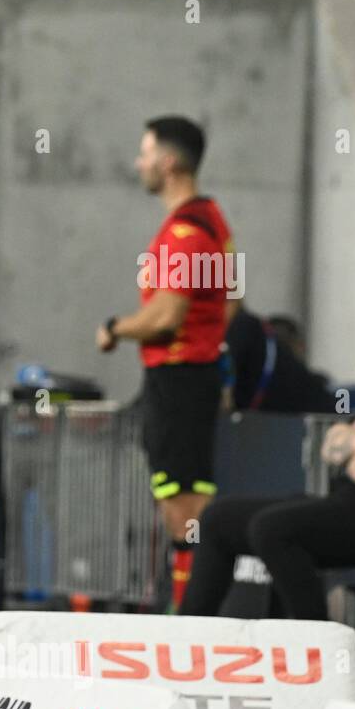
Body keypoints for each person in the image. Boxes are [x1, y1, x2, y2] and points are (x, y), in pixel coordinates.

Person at [96, 115, 236, 610]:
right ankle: (193, 616)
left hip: (178, 383)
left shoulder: (183, 232)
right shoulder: (212, 220)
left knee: (184, 512)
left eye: (146, 152)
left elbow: (166, 315)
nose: (139, 162)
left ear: (169, 163)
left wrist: (114, 328)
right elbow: (232, 300)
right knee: (189, 507)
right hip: (193, 380)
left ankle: (190, 621)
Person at [181, 392, 355, 700]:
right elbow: (332, 444)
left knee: (273, 529)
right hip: (346, 503)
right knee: (217, 518)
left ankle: (319, 662)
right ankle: (186, 649)